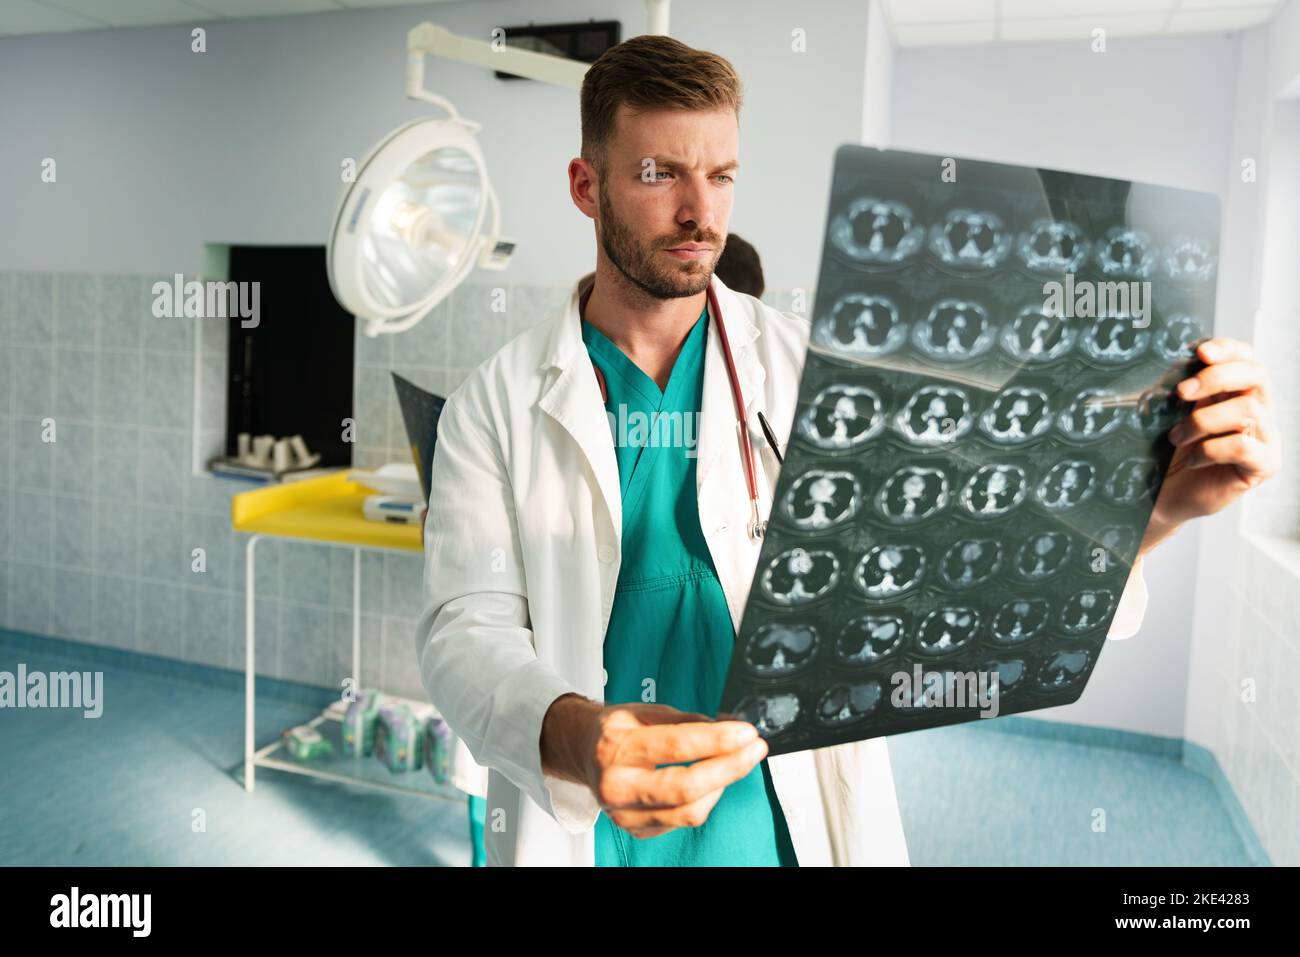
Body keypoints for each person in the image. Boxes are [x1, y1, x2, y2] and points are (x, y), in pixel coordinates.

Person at [415, 35, 1280, 867]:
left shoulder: (814, 372)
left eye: (721, 176)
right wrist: (576, 733)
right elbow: (465, 629)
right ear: (585, 185)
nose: (700, 212)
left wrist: (1156, 509)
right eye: (660, 174)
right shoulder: (496, 403)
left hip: (777, 818)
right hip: (587, 820)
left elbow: (954, 586)